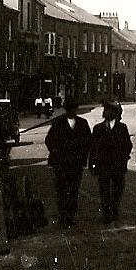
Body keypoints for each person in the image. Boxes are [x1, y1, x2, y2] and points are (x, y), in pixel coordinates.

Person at [45, 96, 92, 227]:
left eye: (74, 109)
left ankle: (70, 216)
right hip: (60, 163)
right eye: (70, 109)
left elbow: (88, 141)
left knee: (73, 190)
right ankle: (63, 216)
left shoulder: (82, 123)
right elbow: (49, 140)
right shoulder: (58, 123)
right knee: (61, 190)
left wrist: (83, 156)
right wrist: (56, 153)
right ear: (67, 110)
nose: (73, 112)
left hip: (76, 164)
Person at [89, 102, 132, 224]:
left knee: (118, 188)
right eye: (106, 111)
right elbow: (93, 148)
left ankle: (114, 208)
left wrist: (124, 158)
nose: (108, 113)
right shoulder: (98, 128)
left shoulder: (122, 128)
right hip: (103, 165)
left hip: (118, 164)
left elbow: (128, 145)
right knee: (104, 189)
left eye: (111, 111)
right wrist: (92, 164)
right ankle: (107, 213)